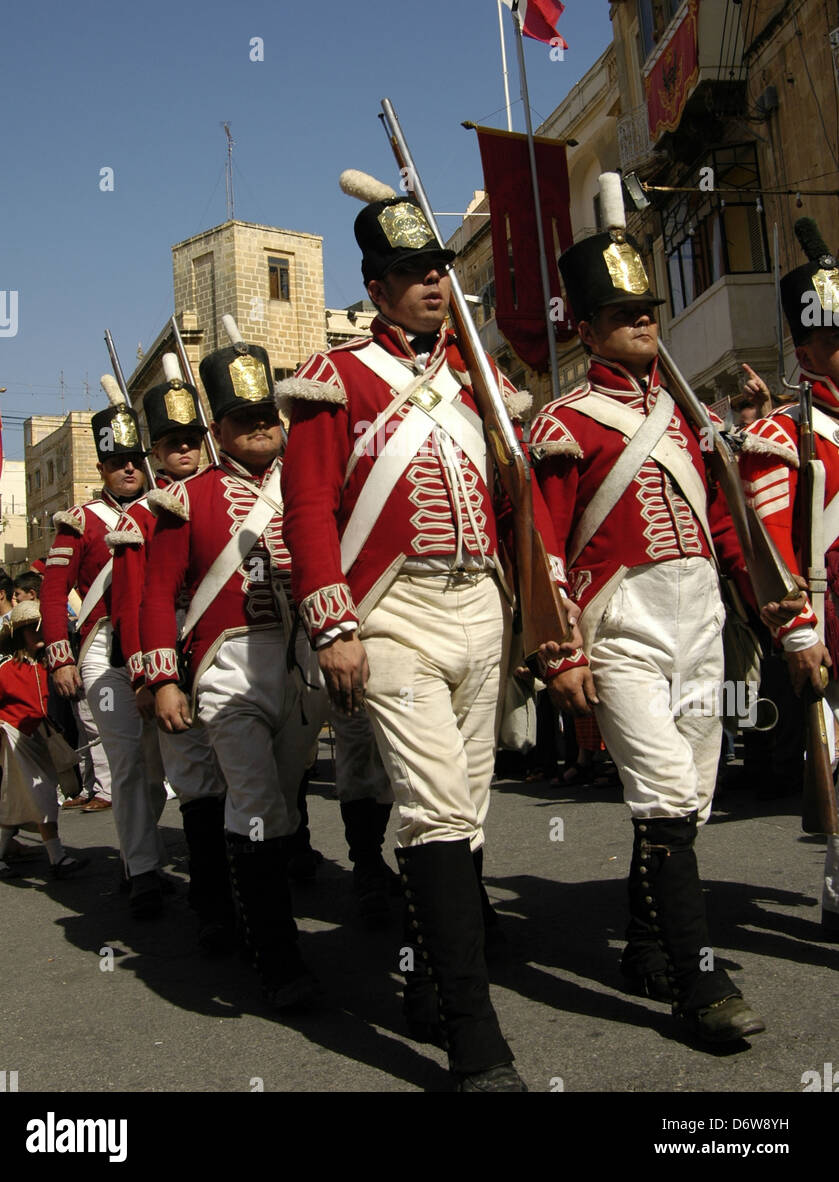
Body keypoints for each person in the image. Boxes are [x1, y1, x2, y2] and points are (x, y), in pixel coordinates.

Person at [279, 173, 574, 1091]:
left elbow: (513, 499)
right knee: (440, 803)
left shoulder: (474, 378)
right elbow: (310, 508)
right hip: (392, 611)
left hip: (478, 605)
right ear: (375, 288)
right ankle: (472, 1030)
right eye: (412, 273)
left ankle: (422, 968)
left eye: (439, 269)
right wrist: (333, 621)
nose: (433, 285)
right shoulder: (336, 379)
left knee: (465, 807)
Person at [531, 182, 764, 1044]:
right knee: (665, 793)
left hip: (698, 615)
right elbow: (544, 551)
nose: (639, 321)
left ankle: (646, 941)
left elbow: (723, 529)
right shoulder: (562, 420)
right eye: (618, 312)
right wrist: (560, 653)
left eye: (645, 308)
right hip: (619, 622)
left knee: (690, 798)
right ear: (585, 329)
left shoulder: (689, 417)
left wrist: (768, 610)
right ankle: (698, 987)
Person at [140, 320, 325, 1009]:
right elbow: (158, 592)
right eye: (240, 419)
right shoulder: (180, 498)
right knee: (252, 802)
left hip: (301, 658)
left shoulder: (309, 483)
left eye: (263, 416)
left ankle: (255, 921)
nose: (256, 427)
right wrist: (161, 676)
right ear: (217, 429)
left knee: (281, 799)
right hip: (226, 663)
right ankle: (278, 959)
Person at [109, 354, 233, 952]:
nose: (183, 451)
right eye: (170, 443)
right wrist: (147, 676)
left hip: (231, 653)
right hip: (174, 663)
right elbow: (136, 602)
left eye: (192, 440)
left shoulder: (230, 493)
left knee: (251, 778)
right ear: (155, 453)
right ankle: (214, 903)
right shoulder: (139, 517)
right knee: (197, 784)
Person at [738, 219, 839, 940]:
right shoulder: (779, 434)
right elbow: (768, 549)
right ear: (803, 349)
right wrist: (797, 632)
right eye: (834, 340)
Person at [40, 385, 169, 917]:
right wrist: (60, 655)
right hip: (104, 653)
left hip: (159, 651)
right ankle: (143, 870)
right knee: (126, 763)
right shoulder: (81, 521)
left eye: (134, 461)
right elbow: (52, 591)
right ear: (101, 466)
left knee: (159, 766)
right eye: (117, 463)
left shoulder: (165, 509)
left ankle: (139, 850)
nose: (128, 470)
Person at [0, 600, 88, 881]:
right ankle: (57, 856)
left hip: (41, 740)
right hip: (14, 741)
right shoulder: (6, 671)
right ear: (19, 635)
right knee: (43, 796)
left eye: (40, 628)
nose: (38, 634)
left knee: (16, 800)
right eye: (31, 629)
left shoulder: (49, 668)